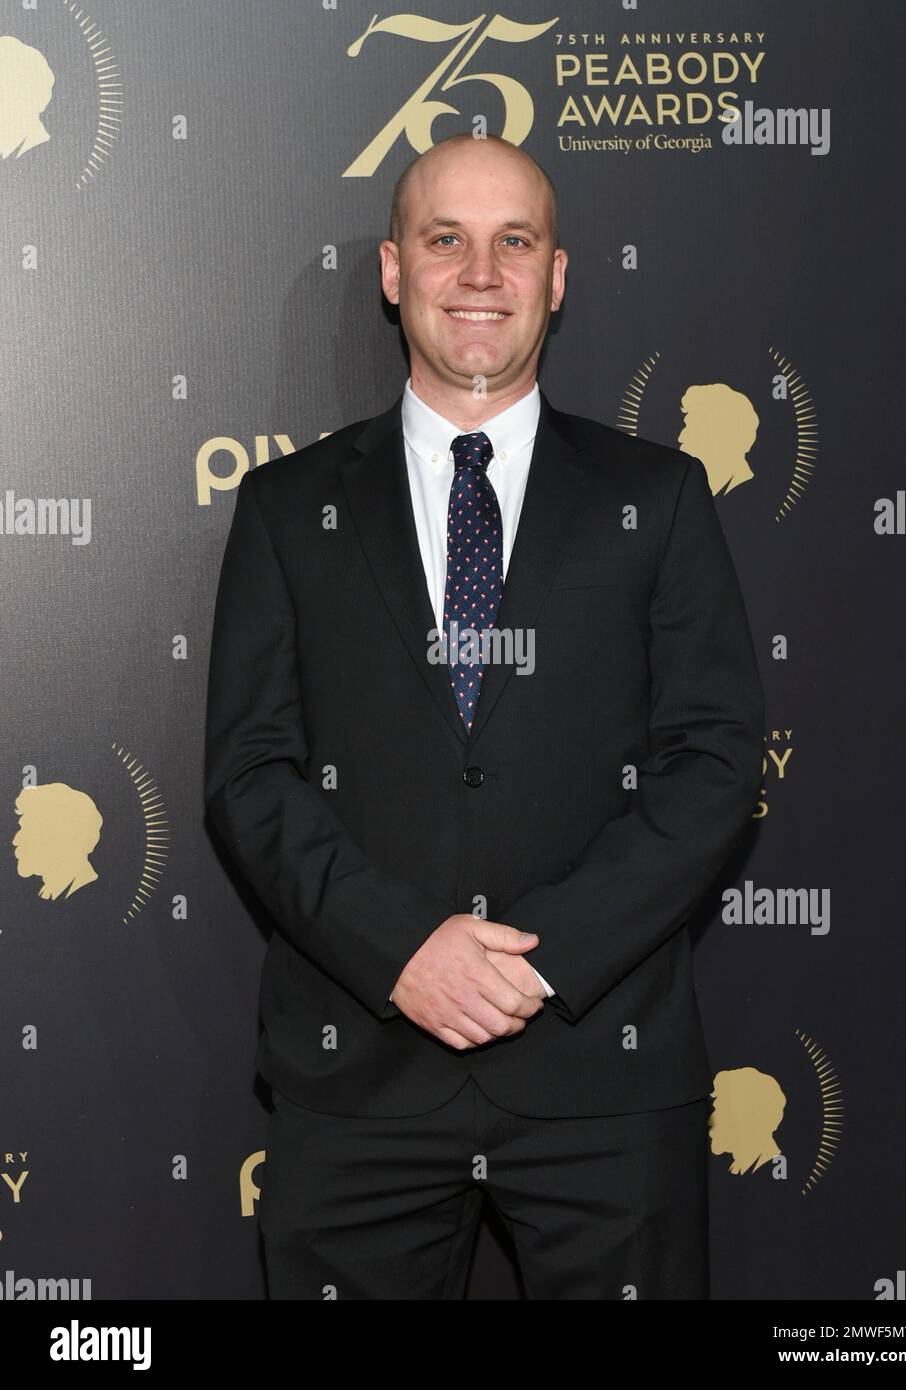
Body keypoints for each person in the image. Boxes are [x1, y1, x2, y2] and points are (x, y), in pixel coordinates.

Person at [204, 131, 765, 1300]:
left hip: (600, 1074)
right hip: (358, 1072)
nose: (481, 272)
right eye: (444, 239)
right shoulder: (285, 506)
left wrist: (538, 964)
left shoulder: (655, 499)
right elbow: (250, 774)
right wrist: (402, 951)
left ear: (557, 278)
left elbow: (713, 765)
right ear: (392, 271)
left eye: (516, 241)